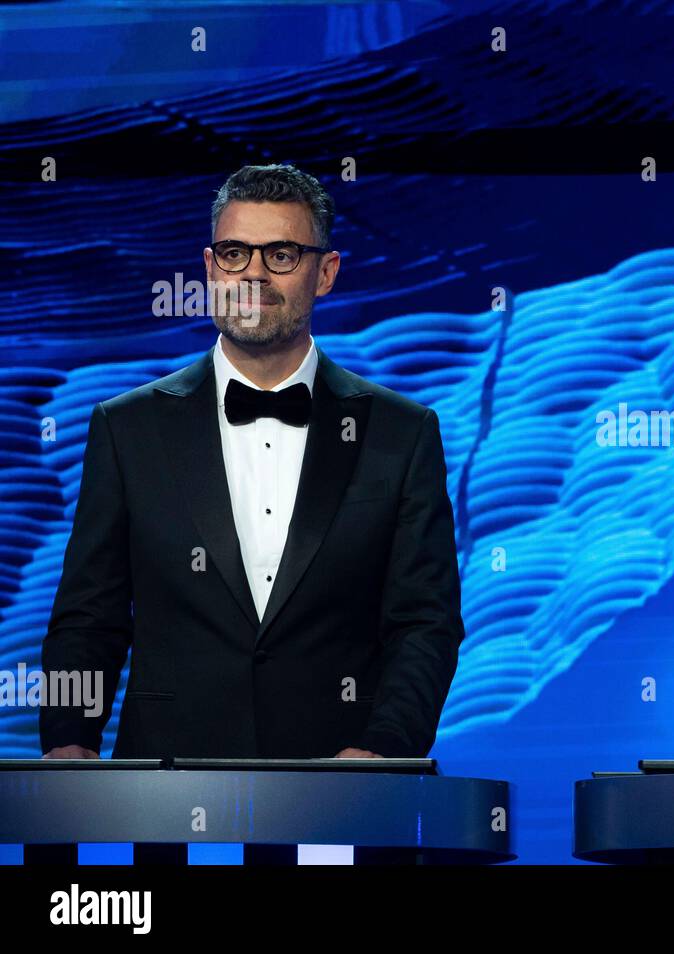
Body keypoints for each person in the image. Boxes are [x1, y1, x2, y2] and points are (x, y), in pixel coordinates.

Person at [40, 163, 464, 760]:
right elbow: (88, 617)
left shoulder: (402, 433)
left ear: (327, 273)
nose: (255, 274)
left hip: (341, 793)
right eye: (236, 253)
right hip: (166, 792)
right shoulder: (127, 427)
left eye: (283, 254)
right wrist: (67, 738)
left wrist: (385, 749)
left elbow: (426, 623)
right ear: (211, 269)